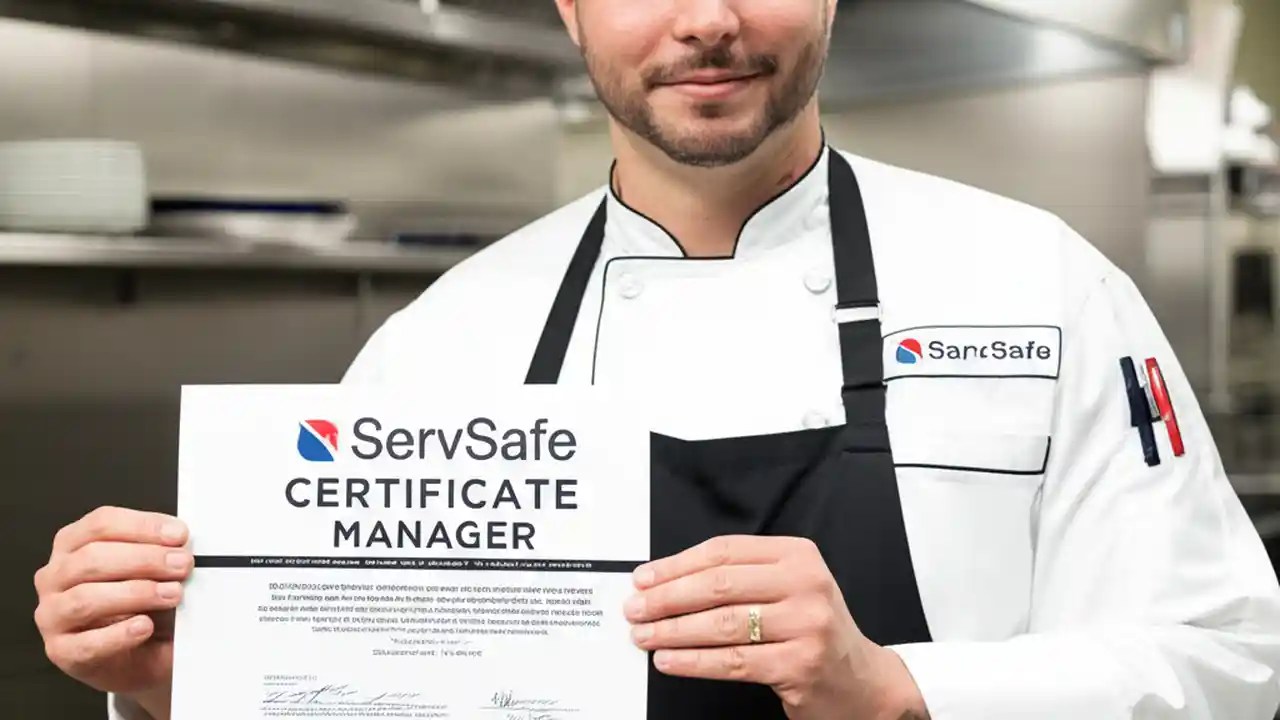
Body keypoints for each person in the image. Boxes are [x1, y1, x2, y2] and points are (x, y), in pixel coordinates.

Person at [32, 0, 1280, 718]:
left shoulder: (1041, 283)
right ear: (569, 4)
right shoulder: (445, 337)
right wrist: (178, 683)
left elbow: (1227, 659)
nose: (708, 20)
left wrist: (899, 688)